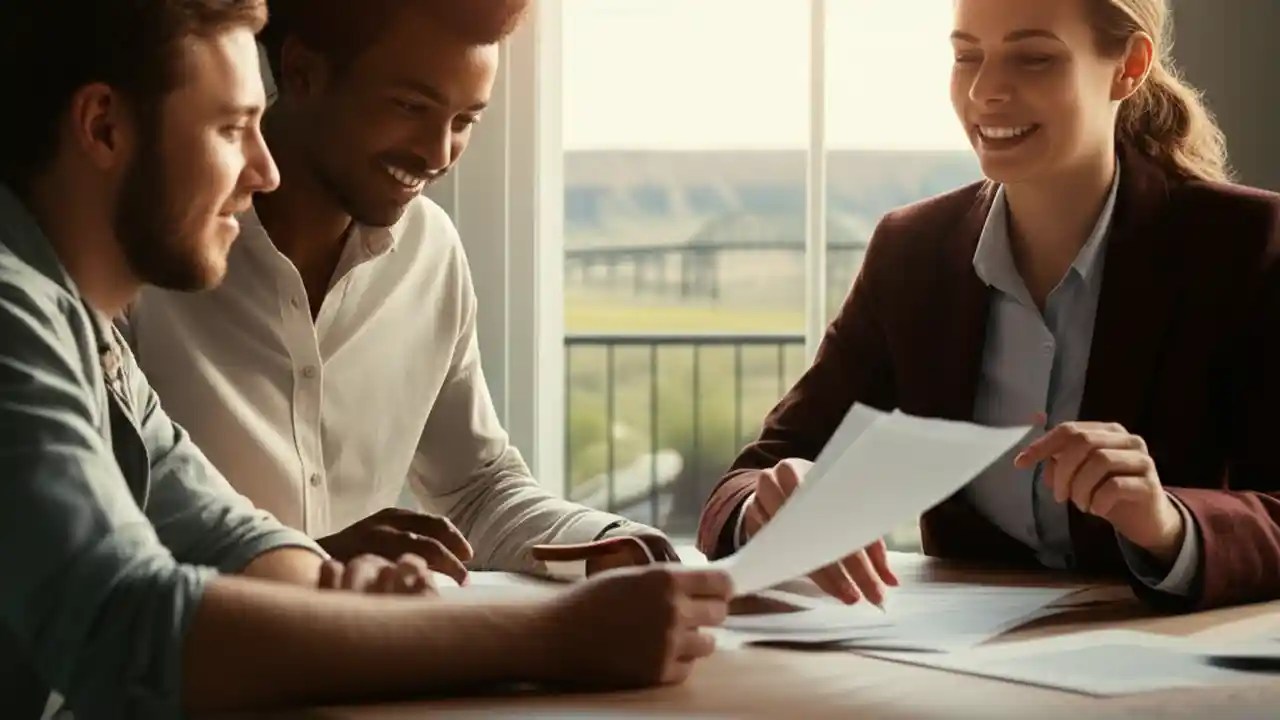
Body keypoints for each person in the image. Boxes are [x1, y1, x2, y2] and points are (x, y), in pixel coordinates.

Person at [0, 2, 730, 717]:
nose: (263, 170)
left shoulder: (80, 333)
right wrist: (554, 636)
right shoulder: (13, 314)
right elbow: (129, 622)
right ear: (103, 127)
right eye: (231, 129)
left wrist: (350, 591)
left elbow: (225, 535)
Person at [698, 0, 1280, 612]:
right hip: (960, 676)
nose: (985, 90)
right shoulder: (912, 253)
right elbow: (746, 482)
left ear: (1129, 66)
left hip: (1170, 669)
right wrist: (764, 508)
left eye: (1034, 58)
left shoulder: (1244, 244)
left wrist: (1170, 525)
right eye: (966, 56)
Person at [120, 0, 675, 583]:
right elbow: (98, 544)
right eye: (412, 106)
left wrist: (613, 543)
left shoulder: (430, 252)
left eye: (464, 121)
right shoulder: (148, 256)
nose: (438, 155)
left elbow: (477, 490)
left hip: (374, 665)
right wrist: (320, 563)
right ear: (303, 71)